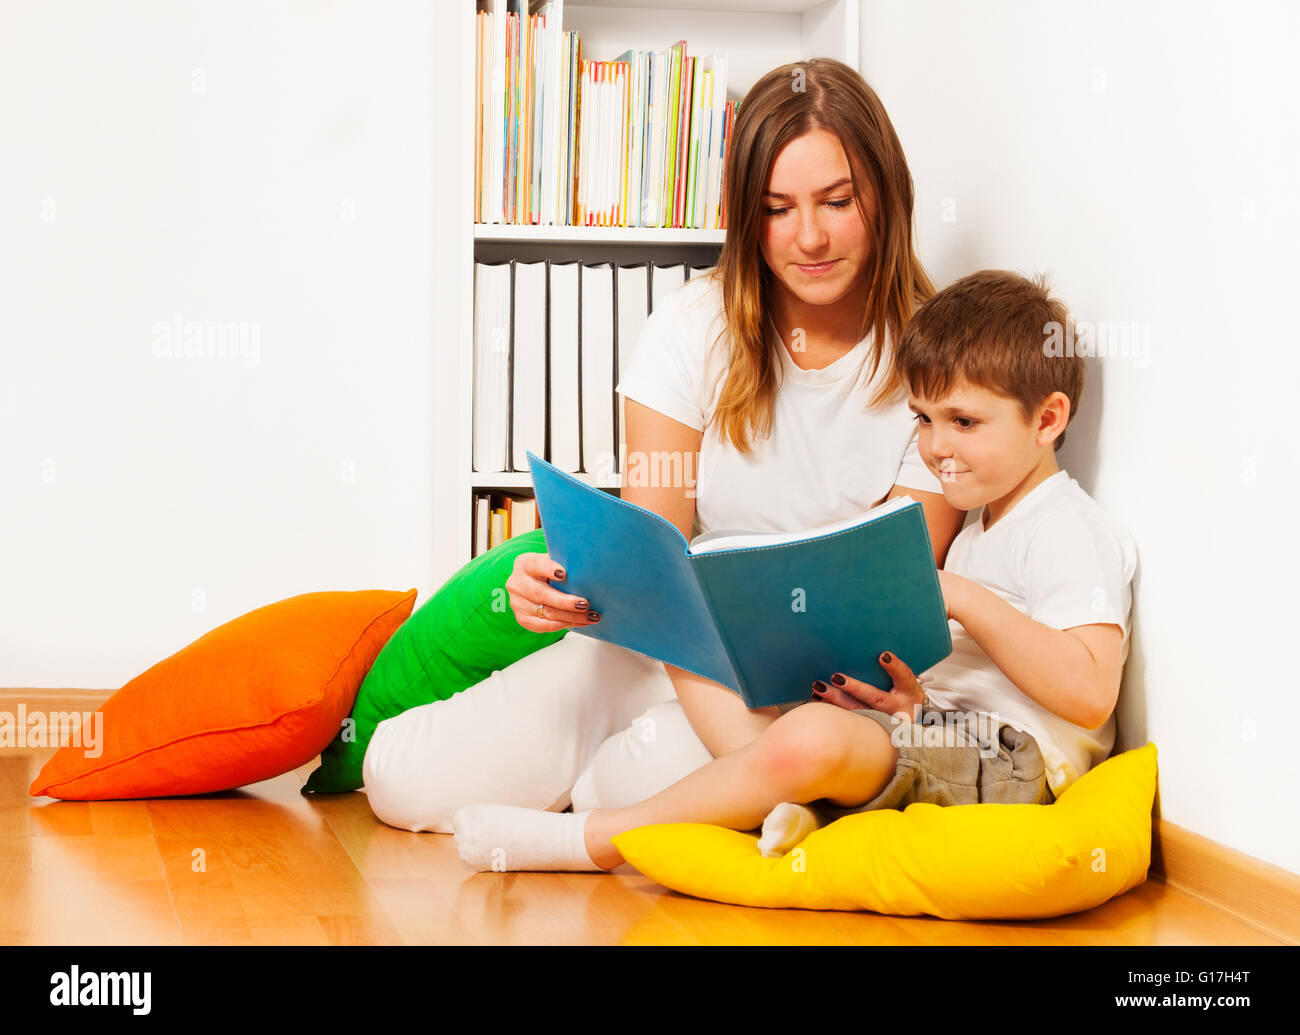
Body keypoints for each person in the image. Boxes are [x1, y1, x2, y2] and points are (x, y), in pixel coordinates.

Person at [361, 59, 962, 833]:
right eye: (777, 209)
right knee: (399, 779)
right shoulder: (692, 327)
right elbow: (657, 552)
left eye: (837, 202)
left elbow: (890, 584)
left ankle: (622, 803)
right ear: (747, 217)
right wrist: (561, 583)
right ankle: (680, 792)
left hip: (824, 692)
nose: (808, 237)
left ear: (886, 194)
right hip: (676, 658)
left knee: (630, 781)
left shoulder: (942, 356)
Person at [449, 269, 1138, 872]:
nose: (935, 448)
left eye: (963, 422)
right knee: (710, 651)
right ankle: (793, 803)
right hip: (938, 733)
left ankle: (595, 841)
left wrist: (958, 597)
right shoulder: (984, 518)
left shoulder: (1064, 525)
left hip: (1007, 762)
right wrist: (913, 704)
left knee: (808, 736)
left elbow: (1088, 691)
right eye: (924, 420)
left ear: (1048, 419)